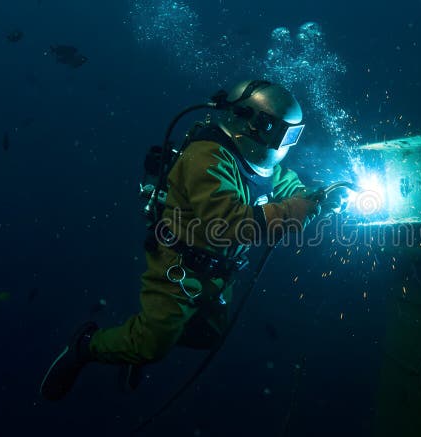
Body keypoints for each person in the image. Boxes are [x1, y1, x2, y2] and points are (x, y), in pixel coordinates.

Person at [40, 80, 335, 401]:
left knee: (209, 335)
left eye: (294, 135)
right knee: (152, 344)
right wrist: (300, 210)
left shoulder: (260, 162)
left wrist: (317, 197)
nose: (287, 145)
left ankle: (135, 345)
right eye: (285, 134)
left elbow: (286, 184)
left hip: (219, 269)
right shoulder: (207, 158)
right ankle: (86, 346)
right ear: (258, 124)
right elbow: (230, 223)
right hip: (179, 266)